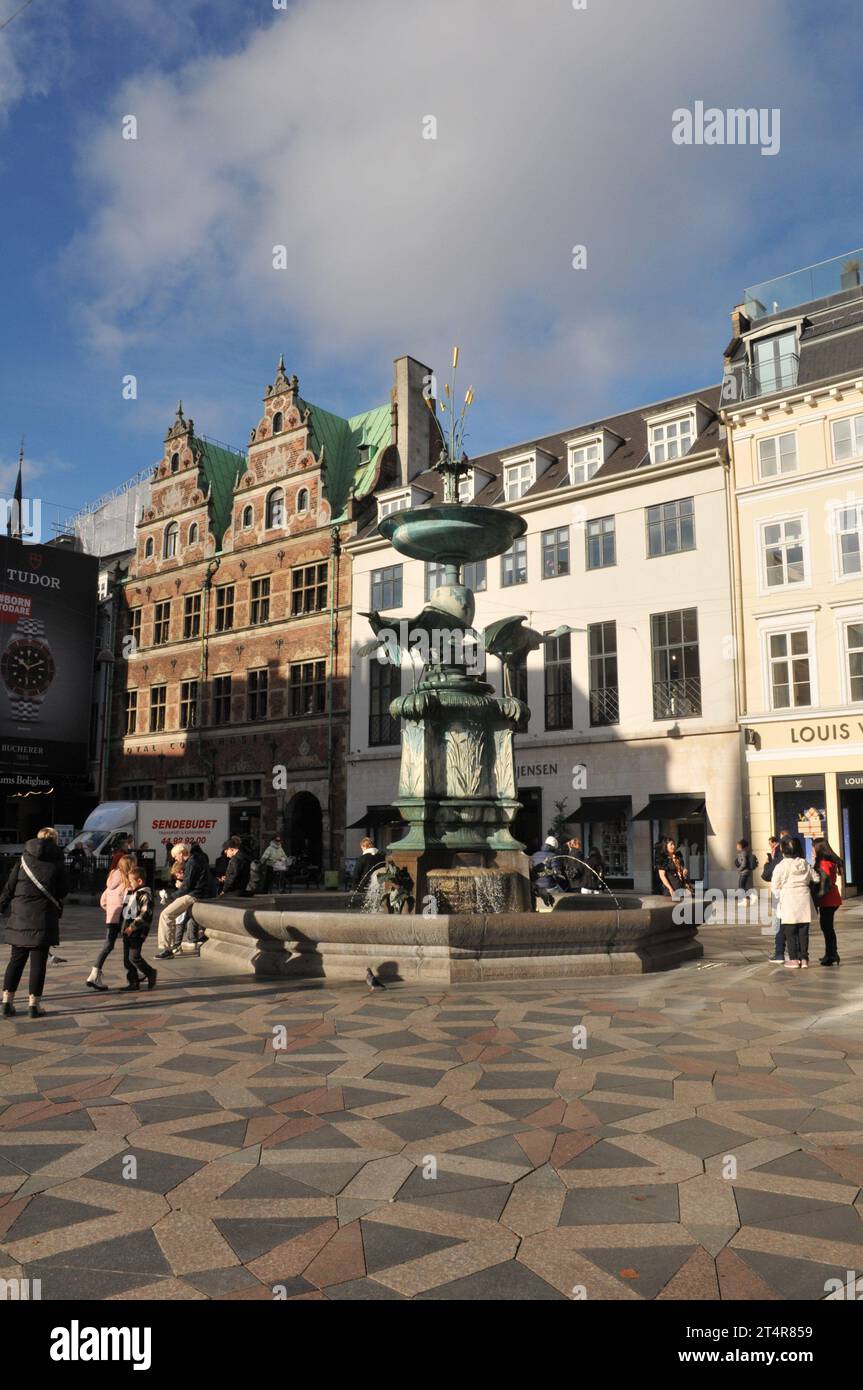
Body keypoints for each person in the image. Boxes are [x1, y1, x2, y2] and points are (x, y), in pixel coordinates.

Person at [0, 828, 69, 1019]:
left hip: (20, 915)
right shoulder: (57, 861)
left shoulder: (23, 859)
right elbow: (63, 890)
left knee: (16, 960)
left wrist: (3, 905)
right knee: (38, 964)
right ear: (55, 841)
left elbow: (10, 885)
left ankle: (6, 1002)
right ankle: (34, 1006)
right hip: (43, 916)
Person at [86, 854, 135, 991]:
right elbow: (130, 902)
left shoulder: (111, 880)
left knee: (108, 946)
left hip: (111, 917)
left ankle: (94, 973)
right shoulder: (127, 882)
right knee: (129, 945)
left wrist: (110, 909)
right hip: (123, 918)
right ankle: (134, 974)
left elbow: (103, 901)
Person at [771, 836, 818, 969]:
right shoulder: (804, 863)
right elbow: (816, 877)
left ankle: (793, 959)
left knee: (790, 932)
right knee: (803, 932)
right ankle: (804, 959)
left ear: (783, 850)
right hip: (804, 899)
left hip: (788, 900)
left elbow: (775, 886)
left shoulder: (781, 866)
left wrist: (780, 894)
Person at [119, 868, 157, 991]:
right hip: (127, 931)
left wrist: (132, 927)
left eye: (131, 881)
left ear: (139, 881)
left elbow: (145, 914)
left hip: (136, 932)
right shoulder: (132, 893)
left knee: (134, 957)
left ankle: (150, 972)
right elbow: (125, 911)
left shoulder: (145, 895)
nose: (128, 884)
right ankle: (133, 982)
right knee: (127, 960)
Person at [811, 837, 844, 967]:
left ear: (818, 848)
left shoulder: (824, 863)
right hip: (832, 898)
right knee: (827, 927)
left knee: (827, 928)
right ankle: (830, 953)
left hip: (828, 899)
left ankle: (832, 955)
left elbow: (824, 884)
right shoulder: (828, 861)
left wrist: (815, 896)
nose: (812, 850)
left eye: (813, 847)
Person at [530, 835, 566, 906]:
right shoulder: (553, 856)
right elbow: (556, 874)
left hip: (537, 886)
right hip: (549, 886)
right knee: (565, 897)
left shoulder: (535, 855)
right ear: (554, 847)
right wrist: (561, 877)